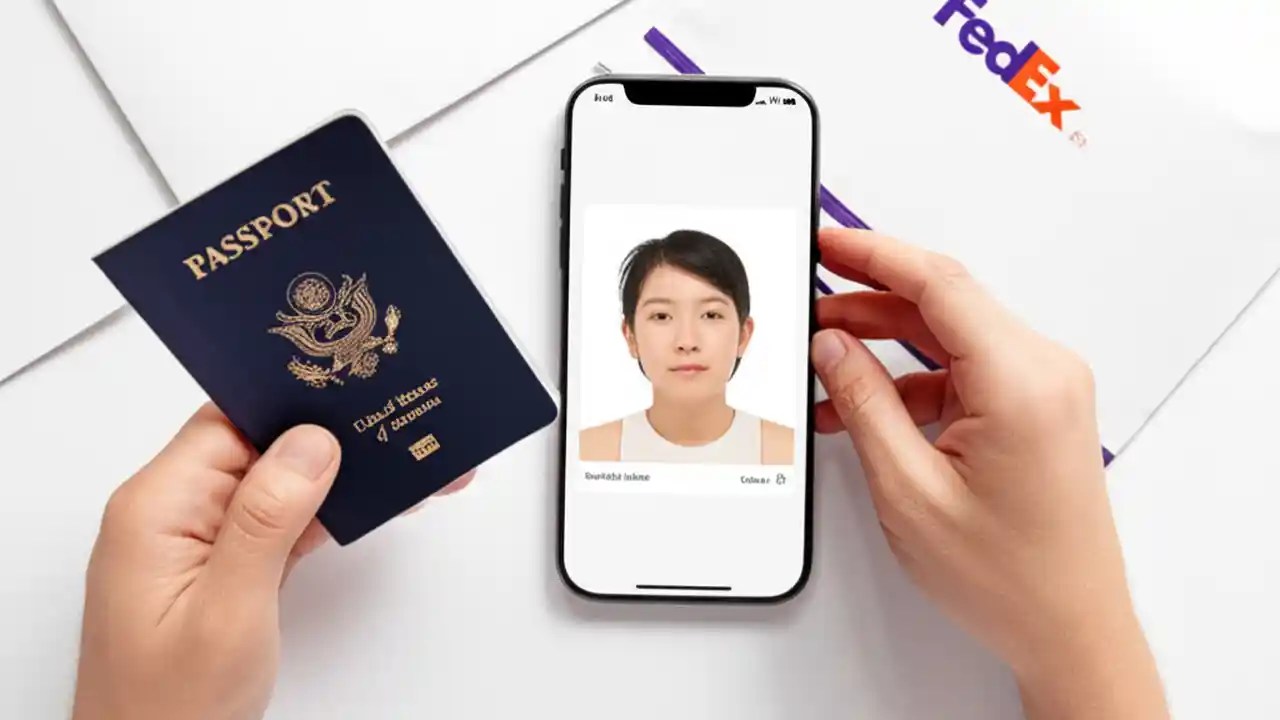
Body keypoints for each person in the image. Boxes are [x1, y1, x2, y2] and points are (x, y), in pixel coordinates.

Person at [69, 227, 1170, 720]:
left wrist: (1069, 635)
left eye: (707, 315)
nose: (684, 337)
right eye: (658, 312)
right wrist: (1080, 644)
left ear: (747, 332)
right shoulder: (599, 442)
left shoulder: (774, 440)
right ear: (626, 332)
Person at [579, 229, 795, 465]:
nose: (687, 342)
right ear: (630, 337)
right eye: (661, 316)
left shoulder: (788, 453)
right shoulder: (589, 453)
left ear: (743, 336)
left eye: (711, 315)